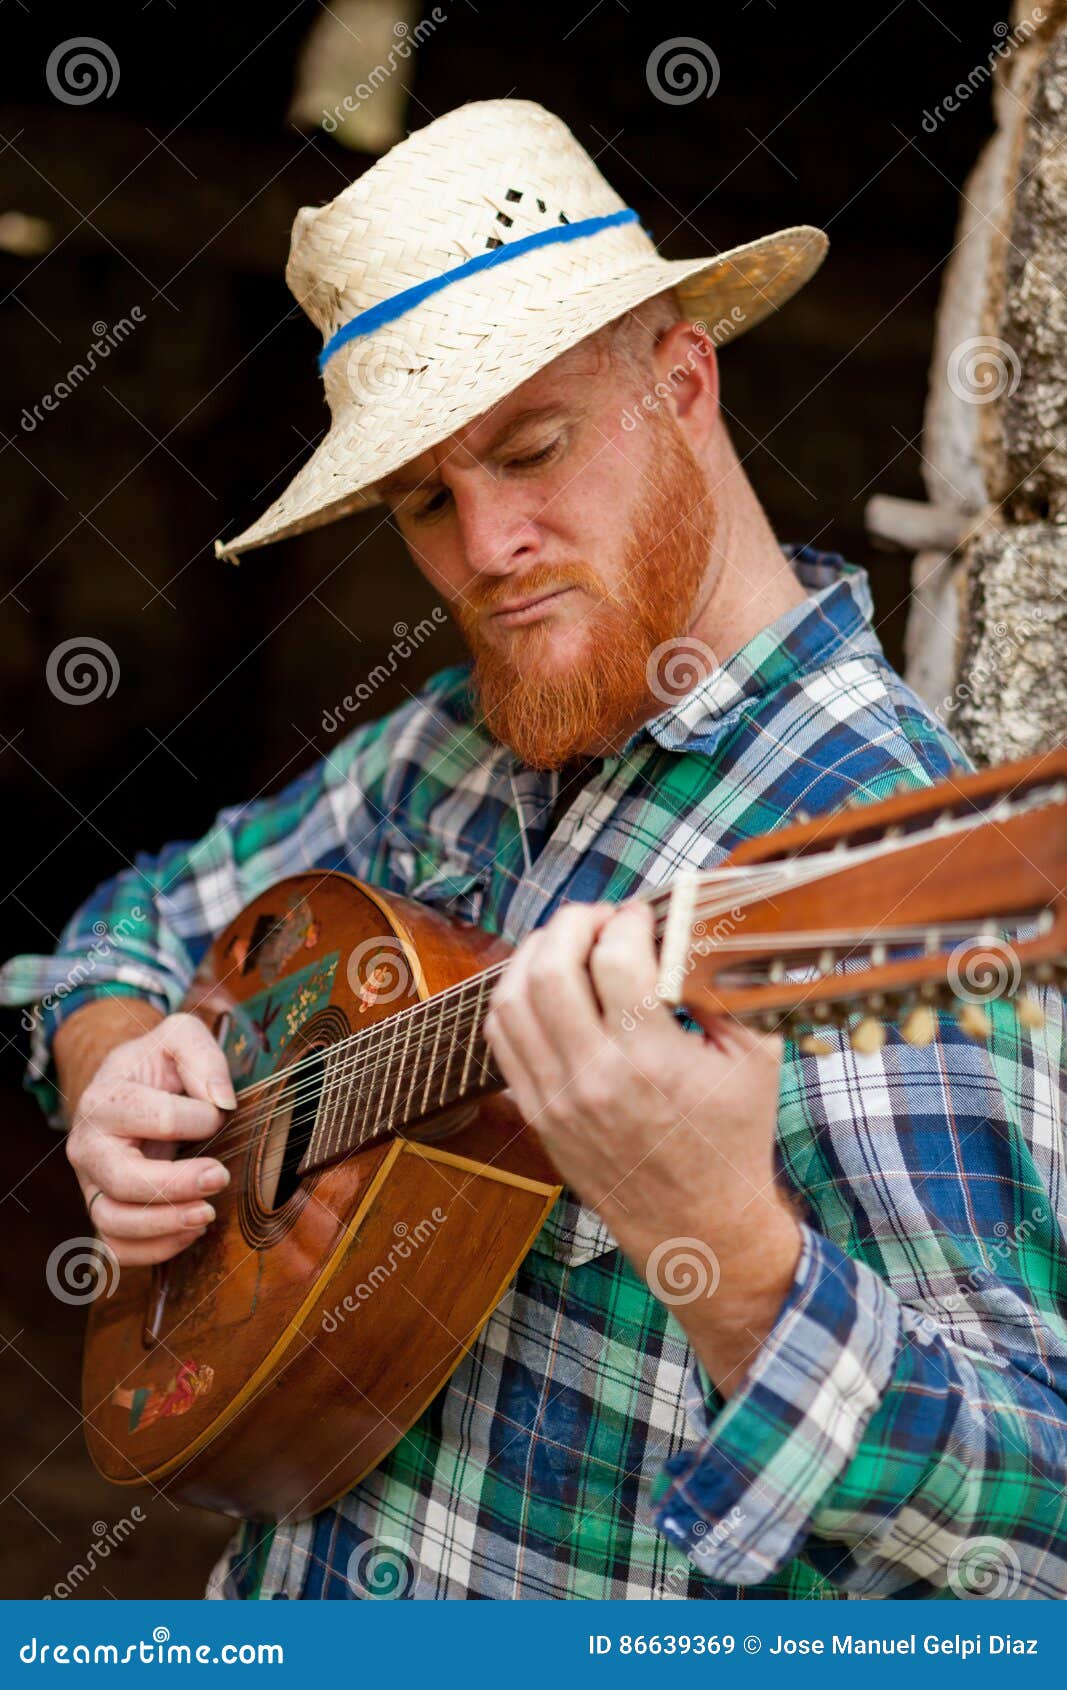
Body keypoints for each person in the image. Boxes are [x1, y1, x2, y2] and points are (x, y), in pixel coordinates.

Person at [3, 99, 1065, 1602]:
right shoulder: (437, 749)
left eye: (534, 448)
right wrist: (114, 1058)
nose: (486, 546)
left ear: (684, 380)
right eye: (427, 498)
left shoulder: (871, 851)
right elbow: (115, 930)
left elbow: (1034, 1543)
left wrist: (732, 1255)